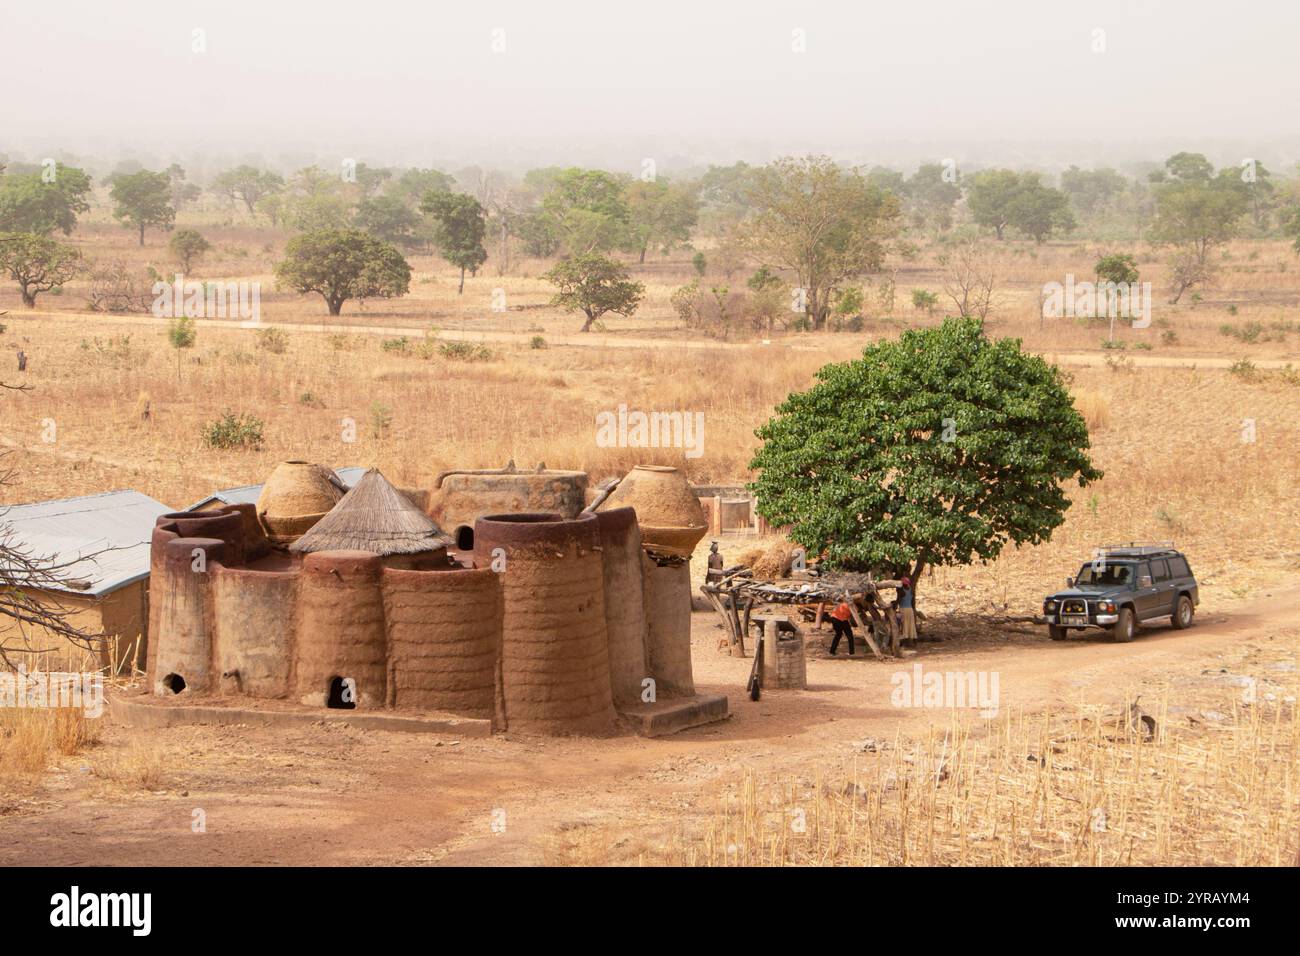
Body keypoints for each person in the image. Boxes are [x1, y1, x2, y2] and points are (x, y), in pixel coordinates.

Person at [899, 576, 917, 643]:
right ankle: (913, 640)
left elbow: (898, 601)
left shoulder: (902, 591)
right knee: (911, 624)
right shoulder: (911, 591)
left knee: (904, 625)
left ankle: (905, 640)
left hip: (903, 609)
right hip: (910, 609)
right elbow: (912, 602)